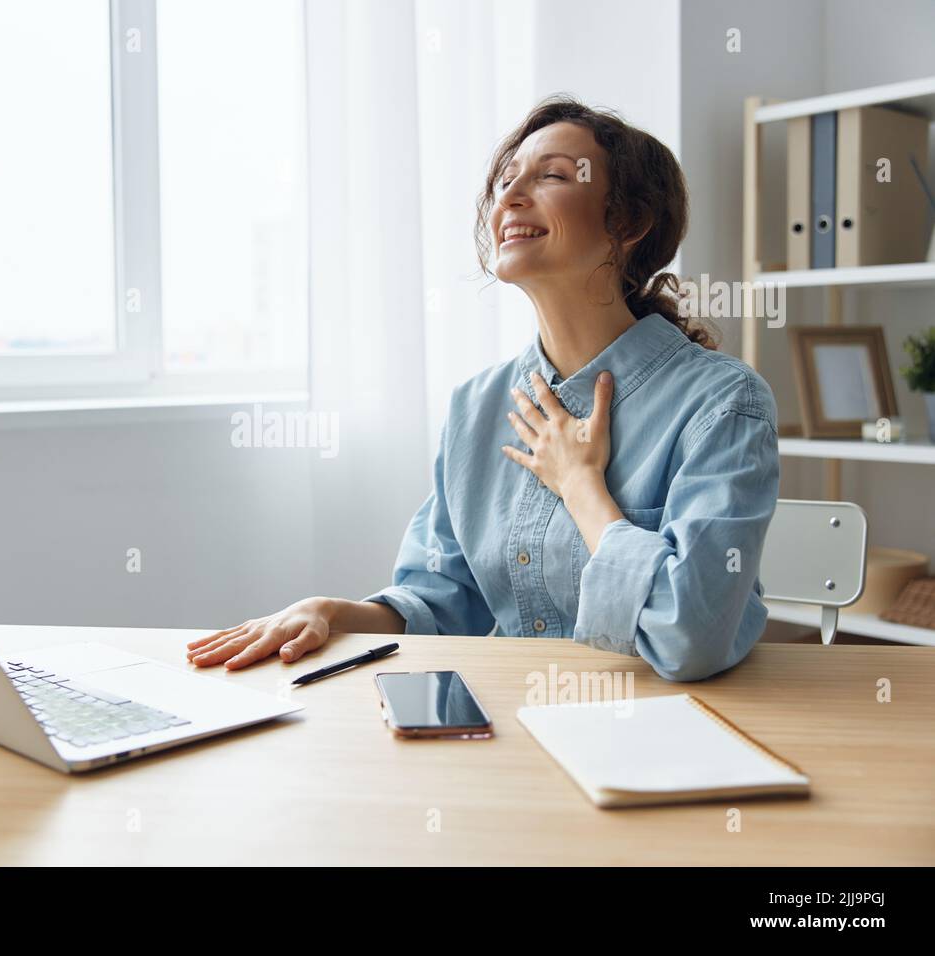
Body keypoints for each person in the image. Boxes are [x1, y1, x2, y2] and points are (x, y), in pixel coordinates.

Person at [187, 95, 779, 682]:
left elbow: (693, 636)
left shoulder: (723, 403)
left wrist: (580, 486)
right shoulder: (476, 407)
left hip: (671, 738)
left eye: (550, 175)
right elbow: (443, 601)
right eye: (505, 180)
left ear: (628, 223)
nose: (510, 198)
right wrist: (331, 613)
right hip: (513, 725)